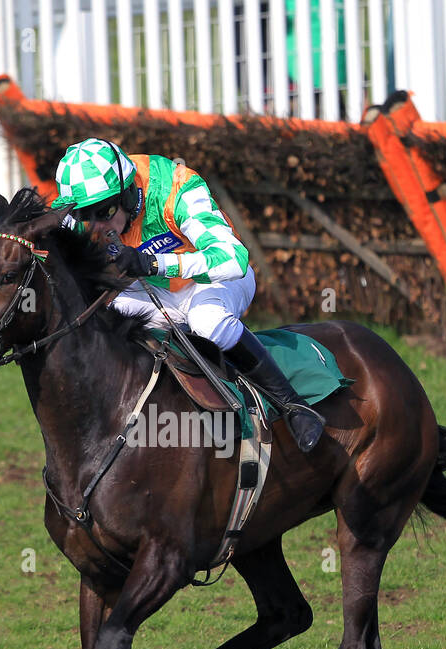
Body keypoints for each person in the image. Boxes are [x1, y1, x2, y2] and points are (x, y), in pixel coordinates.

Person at [50, 138, 326, 453]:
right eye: (86, 216)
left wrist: (153, 262)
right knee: (99, 318)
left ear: (127, 194)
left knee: (205, 321)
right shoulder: (81, 217)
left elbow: (234, 260)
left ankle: (293, 406)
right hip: (154, 292)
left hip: (214, 283)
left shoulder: (178, 187)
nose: (96, 226)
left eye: (104, 211)